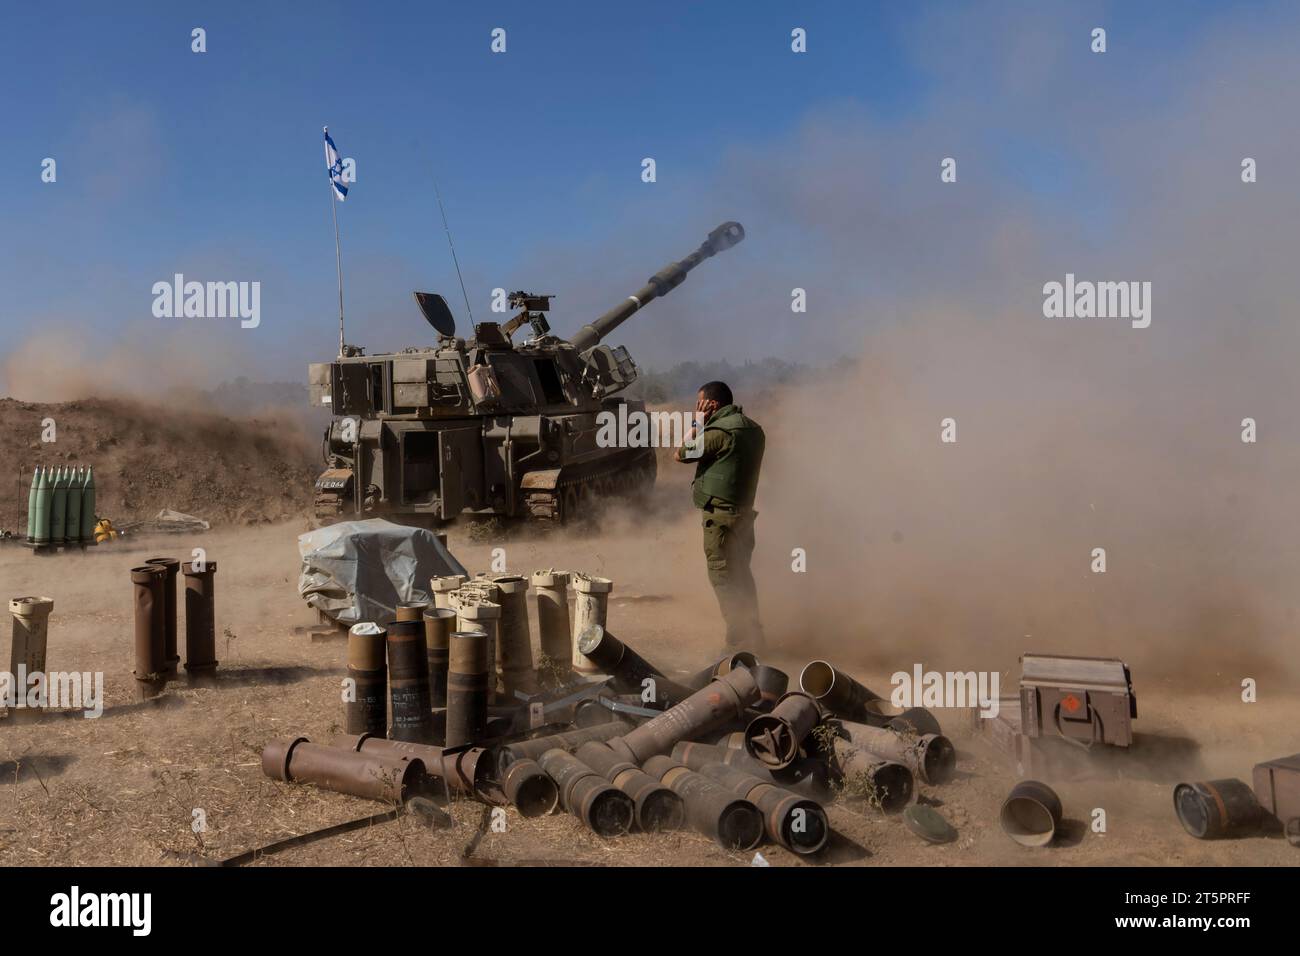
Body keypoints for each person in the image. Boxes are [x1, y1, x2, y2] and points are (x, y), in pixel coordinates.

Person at [675, 381, 766, 652]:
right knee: (741, 575)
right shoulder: (753, 429)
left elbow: (680, 453)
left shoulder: (719, 432)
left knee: (724, 578)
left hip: (721, 519)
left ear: (711, 405)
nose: (697, 407)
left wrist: (697, 422)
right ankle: (755, 635)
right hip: (744, 515)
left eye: (699, 403)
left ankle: (739, 643)